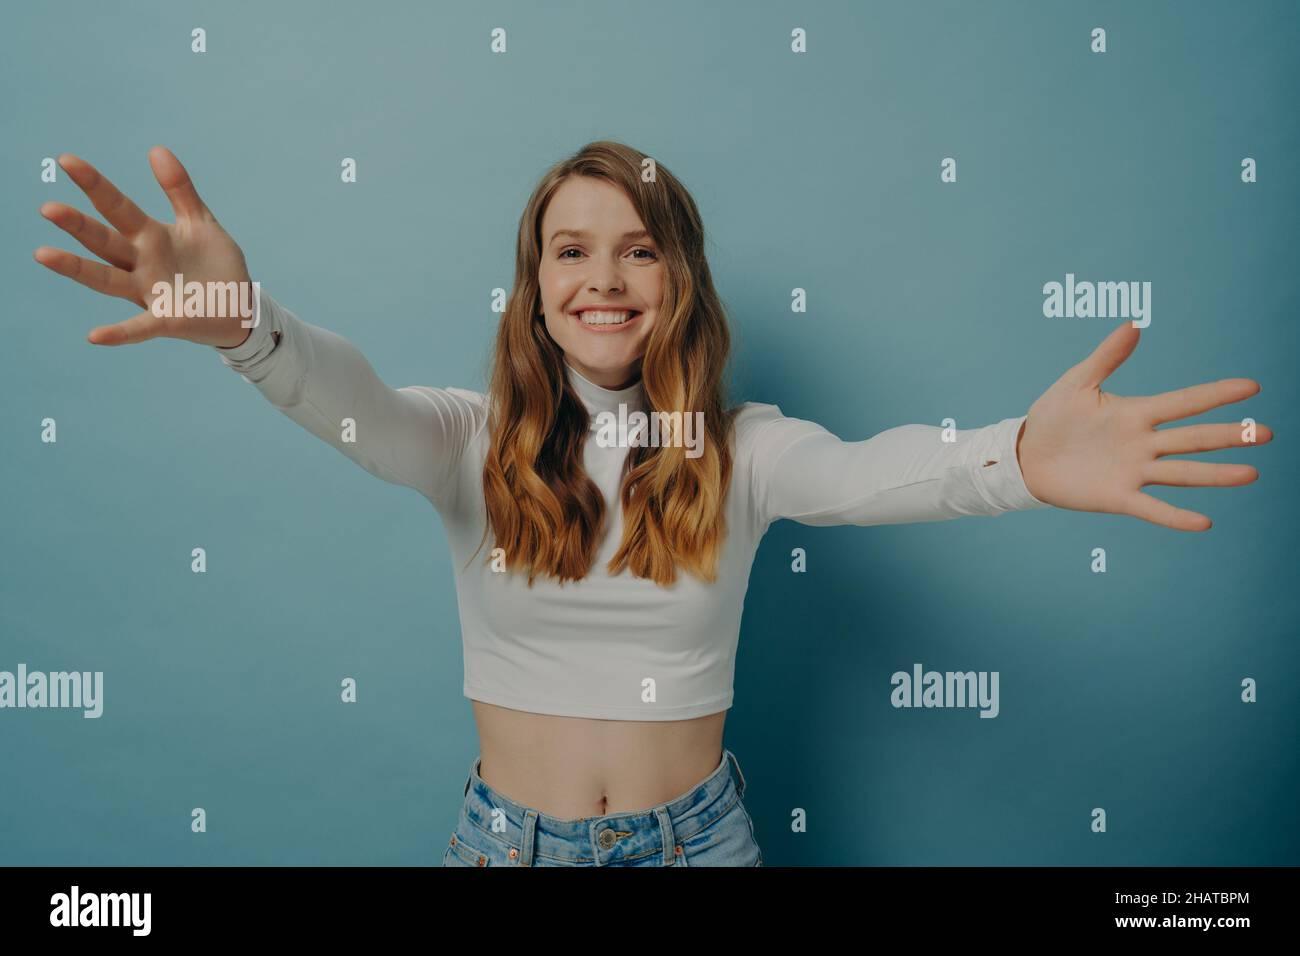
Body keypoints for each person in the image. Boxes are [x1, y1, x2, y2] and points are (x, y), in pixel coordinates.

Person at [33, 140, 1272, 867]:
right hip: (502, 844)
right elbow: (348, 402)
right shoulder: (467, 444)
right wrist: (249, 327)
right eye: (570, 249)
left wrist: (1019, 455)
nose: (605, 276)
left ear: (678, 278)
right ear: (532, 288)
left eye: (638, 246)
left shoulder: (744, 449)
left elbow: (878, 473)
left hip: (702, 841)